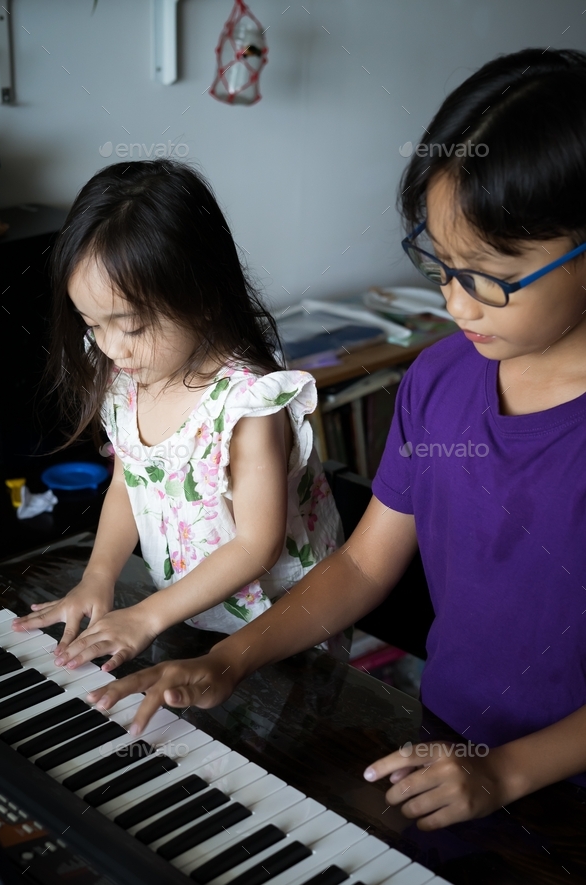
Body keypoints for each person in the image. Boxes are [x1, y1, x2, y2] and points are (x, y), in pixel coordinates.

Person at [46, 45, 586, 830]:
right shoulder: (441, 379)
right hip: (444, 746)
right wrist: (226, 659)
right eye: (440, 263)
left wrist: (506, 771)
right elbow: (366, 562)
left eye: (488, 274)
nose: (456, 302)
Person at [12, 159, 343, 663]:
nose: (111, 348)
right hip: (186, 616)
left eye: (133, 326)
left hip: (279, 631)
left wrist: (146, 616)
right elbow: (127, 483)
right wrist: (97, 578)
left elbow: (257, 545)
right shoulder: (125, 380)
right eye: (91, 325)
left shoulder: (247, 403)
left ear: (204, 296)